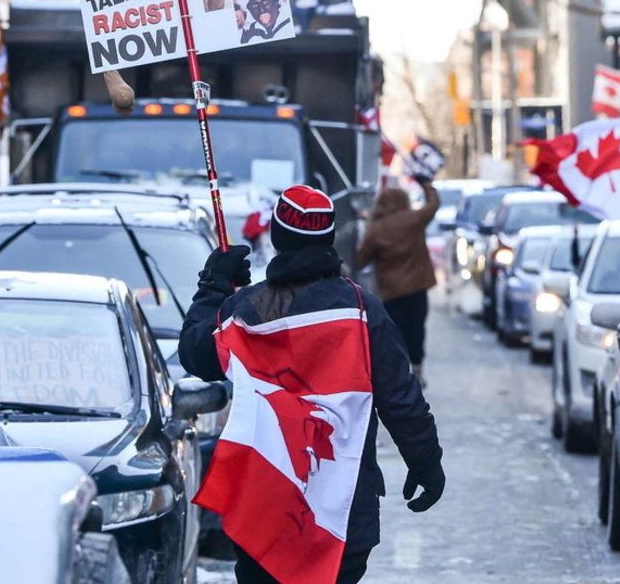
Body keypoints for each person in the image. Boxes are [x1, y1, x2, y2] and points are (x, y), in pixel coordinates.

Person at [180, 185, 444, 583]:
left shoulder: (248, 310)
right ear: (329, 239)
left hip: (264, 509)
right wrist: (425, 462)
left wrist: (214, 284)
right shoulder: (361, 312)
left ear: (277, 237)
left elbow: (196, 354)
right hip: (344, 515)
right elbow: (401, 399)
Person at [356, 177, 439, 382]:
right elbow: (433, 205)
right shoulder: (414, 219)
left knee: (396, 332)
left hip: (391, 291)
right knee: (417, 329)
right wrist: (426, 184)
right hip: (417, 286)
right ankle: (418, 369)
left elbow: (361, 259)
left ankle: (400, 374)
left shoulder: (376, 229)